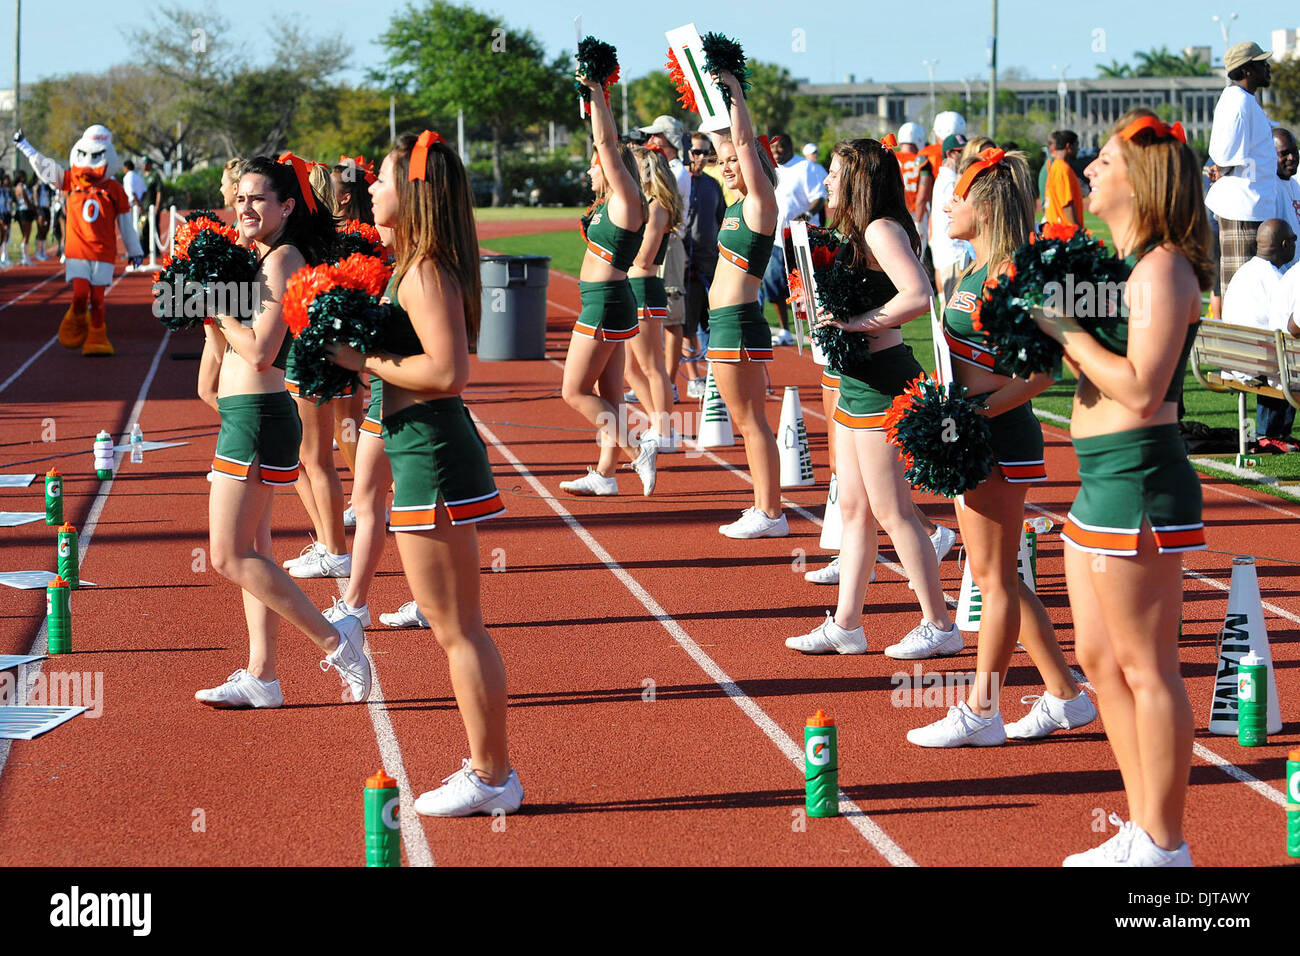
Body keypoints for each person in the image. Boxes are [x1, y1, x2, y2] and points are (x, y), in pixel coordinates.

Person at [1034, 109, 1212, 866]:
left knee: (1148, 667)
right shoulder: (1122, 268)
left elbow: (1140, 392)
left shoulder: (1164, 268)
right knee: (1101, 662)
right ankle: (1141, 829)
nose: (1090, 172)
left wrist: (1065, 330)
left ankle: (1167, 846)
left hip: (1138, 480)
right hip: (1098, 484)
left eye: (1104, 161)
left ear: (1140, 180)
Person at [327, 130, 522, 816]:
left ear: (411, 194)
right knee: (452, 625)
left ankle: (493, 776)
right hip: (419, 449)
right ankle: (489, 770)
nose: (369, 190)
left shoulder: (426, 269)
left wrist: (361, 361)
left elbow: (447, 372)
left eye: (379, 180)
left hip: (432, 453)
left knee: (458, 628)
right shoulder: (412, 262)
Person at [906, 146, 1095, 745]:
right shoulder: (969, 267)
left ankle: (982, 711)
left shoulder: (1013, 274)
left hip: (997, 439)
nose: (947, 209)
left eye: (956, 199)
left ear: (983, 206)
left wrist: (975, 412)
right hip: (973, 436)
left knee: (993, 578)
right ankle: (1066, 697)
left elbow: (1043, 373)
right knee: (1001, 577)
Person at [195, 154, 371, 710]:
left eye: (258, 199)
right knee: (255, 550)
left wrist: (216, 306)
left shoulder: (283, 258)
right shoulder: (258, 256)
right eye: (240, 197)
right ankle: (263, 675)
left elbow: (263, 348)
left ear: (287, 206)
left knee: (227, 556)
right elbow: (226, 350)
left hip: (259, 416)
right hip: (248, 412)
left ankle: (335, 638)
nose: (244, 207)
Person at [784, 138, 957, 653]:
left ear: (858, 179)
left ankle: (941, 627)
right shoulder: (855, 231)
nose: (828, 182)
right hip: (857, 381)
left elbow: (919, 294)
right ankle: (847, 625)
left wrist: (856, 323)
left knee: (893, 510)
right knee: (855, 510)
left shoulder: (881, 228)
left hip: (883, 380)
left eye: (835, 174)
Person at [557, 68, 656, 497]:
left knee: (574, 392)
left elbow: (606, 144)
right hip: (605, 301)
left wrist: (596, 90)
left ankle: (639, 447)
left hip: (604, 302)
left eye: (594, 167)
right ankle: (605, 474)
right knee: (611, 393)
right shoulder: (607, 205)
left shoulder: (626, 200)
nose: (590, 172)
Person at [707, 70, 785, 538]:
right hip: (725, 322)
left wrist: (735, 91)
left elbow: (739, 135)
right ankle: (764, 505)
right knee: (745, 420)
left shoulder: (760, 202)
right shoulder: (737, 204)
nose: (727, 165)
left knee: (750, 419)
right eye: (722, 161)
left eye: (735, 159)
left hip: (736, 322)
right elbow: (725, 136)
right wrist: (710, 91)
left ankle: (771, 512)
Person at [279, 159, 353, 582]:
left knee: (315, 457)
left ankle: (336, 550)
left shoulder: (301, 241)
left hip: (307, 352)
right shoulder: (315, 235)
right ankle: (328, 544)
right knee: (305, 457)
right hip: (306, 351)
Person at [1221, 218, 1299, 451]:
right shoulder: (1276, 279)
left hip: (1231, 356)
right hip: (1257, 359)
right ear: (1285, 244)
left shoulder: (1244, 272)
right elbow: (1287, 329)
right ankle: (1270, 433)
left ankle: (1276, 432)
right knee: (1288, 356)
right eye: (1294, 240)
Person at [624, 145, 682, 449]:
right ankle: (658, 423)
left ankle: (665, 431)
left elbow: (645, 258)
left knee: (652, 365)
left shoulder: (657, 206)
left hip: (644, 287)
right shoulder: (644, 203)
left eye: (634, 164)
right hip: (634, 288)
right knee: (629, 368)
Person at [1206, 41, 1276, 292]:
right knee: (1241, 289)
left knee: (1257, 287)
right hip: (1242, 209)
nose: (1267, 68)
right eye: (1262, 64)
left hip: (1252, 207)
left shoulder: (1245, 100)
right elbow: (1224, 156)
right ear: (1247, 70)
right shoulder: (1237, 102)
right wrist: (1221, 169)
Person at [764, 132, 828, 345]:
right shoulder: (771, 169)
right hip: (775, 238)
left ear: (790, 146)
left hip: (801, 237)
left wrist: (807, 215)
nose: (776, 152)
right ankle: (784, 330)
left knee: (804, 287)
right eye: (772, 148)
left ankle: (813, 328)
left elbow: (819, 197)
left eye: (780, 147)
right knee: (774, 284)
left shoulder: (805, 167)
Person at [675, 132, 725, 401]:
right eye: (696, 152)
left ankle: (716, 376)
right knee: (687, 325)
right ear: (686, 153)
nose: (702, 158)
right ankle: (694, 378)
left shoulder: (712, 185)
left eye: (706, 152)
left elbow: (722, 220)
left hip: (711, 265)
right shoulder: (679, 182)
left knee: (714, 324)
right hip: (685, 268)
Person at [197, 157, 244, 416]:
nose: (220, 189)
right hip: (215, 315)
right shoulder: (236, 225)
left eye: (223, 183)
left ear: (236, 187)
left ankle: (250, 437)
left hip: (230, 316)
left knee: (229, 387)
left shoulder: (246, 226)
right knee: (206, 389)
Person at [930, 132, 974, 305]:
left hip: (949, 252)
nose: (965, 156)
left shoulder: (945, 178)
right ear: (949, 154)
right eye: (961, 152)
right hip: (954, 253)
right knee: (954, 314)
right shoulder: (950, 181)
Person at [895, 122, 934, 254]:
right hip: (915, 214)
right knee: (916, 256)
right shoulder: (922, 160)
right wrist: (918, 220)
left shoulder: (890, 157)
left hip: (894, 212)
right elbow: (922, 197)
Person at [1044, 130, 1084, 226]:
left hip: (1058, 229)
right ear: (1068, 146)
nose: (1078, 149)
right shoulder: (1062, 168)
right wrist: (1078, 231)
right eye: (1077, 145)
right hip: (1065, 231)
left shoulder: (1057, 166)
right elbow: (1066, 205)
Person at [1275, 129, 1300, 271]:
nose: (1292, 157)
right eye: (1284, 154)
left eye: (1294, 151)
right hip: (1284, 276)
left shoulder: (1295, 184)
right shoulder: (1270, 188)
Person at [122, 160, 146, 249]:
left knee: (131, 229)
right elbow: (144, 192)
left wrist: (138, 204)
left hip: (132, 205)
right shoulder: (138, 177)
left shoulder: (127, 177)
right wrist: (141, 203)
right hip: (139, 204)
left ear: (126, 168)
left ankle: (133, 250)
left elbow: (132, 193)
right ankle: (140, 249)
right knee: (139, 228)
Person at [13, 170, 34, 266]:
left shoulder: (20, 187)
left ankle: (25, 257)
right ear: (21, 177)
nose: (25, 177)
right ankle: (24, 258)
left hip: (23, 211)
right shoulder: (21, 187)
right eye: (24, 176)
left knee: (26, 235)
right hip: (24, 211)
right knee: (26, 235)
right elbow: (26, 200)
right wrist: (32, 209)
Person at [0, 173, 12, 268]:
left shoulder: (6, 190)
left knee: (6, 235)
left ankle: (4, 256)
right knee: (1, 235)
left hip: (6, 214)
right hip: (1, 214)